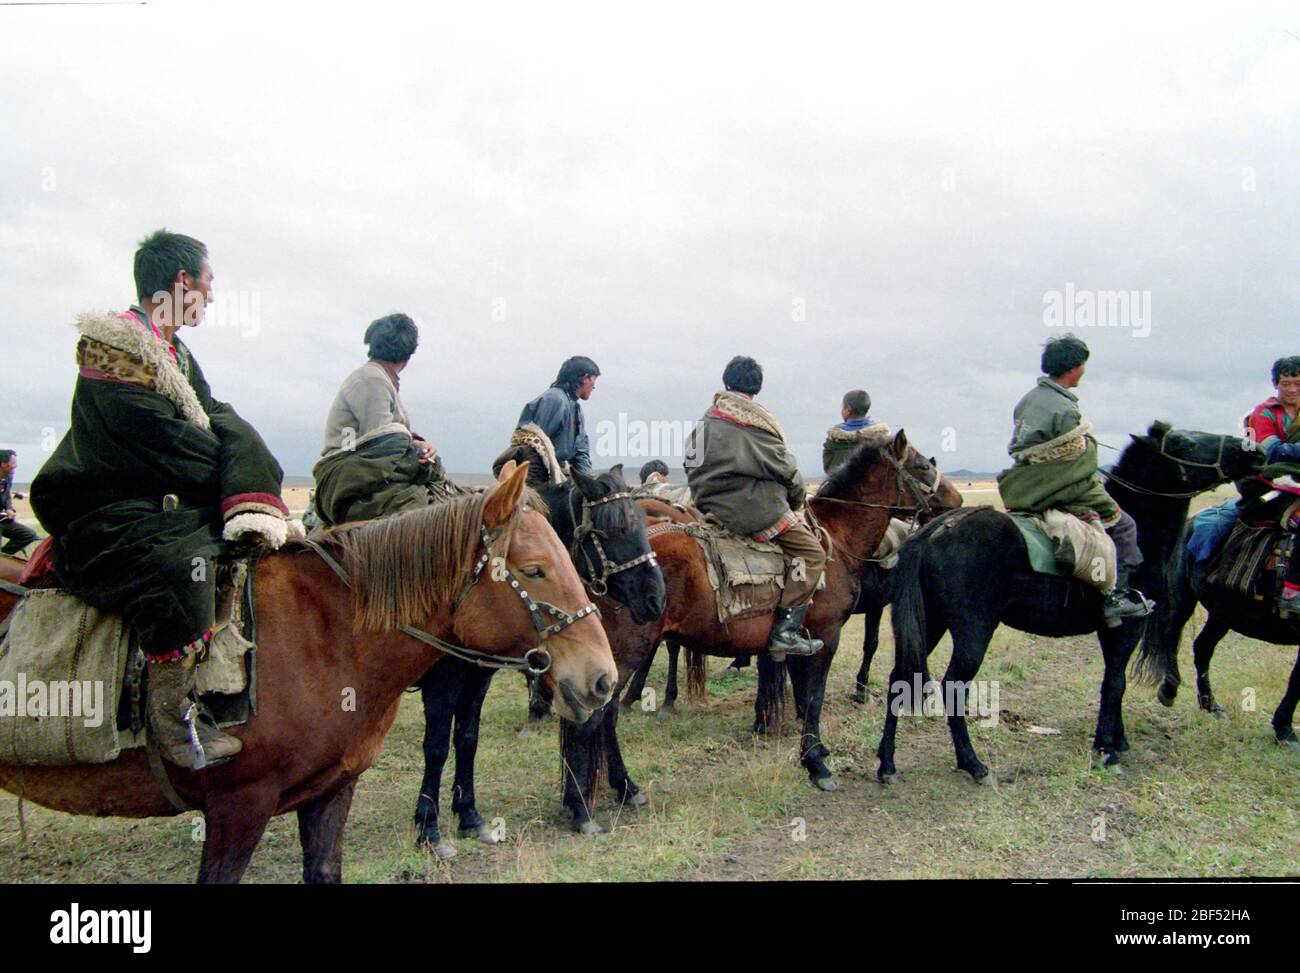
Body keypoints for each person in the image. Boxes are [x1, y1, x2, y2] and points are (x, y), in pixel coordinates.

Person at [30, 229, 290, 770]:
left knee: (231, 460)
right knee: (184, 565)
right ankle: (170, 723)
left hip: (155, 503)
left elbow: (214, 415)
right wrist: (224, 465)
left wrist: (239, 454)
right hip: (105, 511)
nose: (212, 296)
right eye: (208, 283)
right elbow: (156, 440)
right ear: (181, 281)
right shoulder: (114, 345)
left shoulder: (176, 353)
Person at [997, 334, 1151, 622]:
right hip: (1059, 486)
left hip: (1023, 484)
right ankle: (1116, 596)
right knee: (1125, 525)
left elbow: (1035, 450)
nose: (1084, 370)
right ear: (1074, 368)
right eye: (1083, 365)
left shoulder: (1026, 401)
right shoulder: (1065, 408)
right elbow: (1070, 463)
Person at [684, 356, 825, 656]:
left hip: (709, 509)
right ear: (756, 389)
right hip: (757, 515)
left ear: (725, 383)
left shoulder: (703, 423)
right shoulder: (758, 424)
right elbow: (789, 472)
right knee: (812, 554)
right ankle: (785, 632)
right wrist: (796, 502)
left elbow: (689, 463)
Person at [312, 313, 454, 526]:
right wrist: (421, 459)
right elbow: (383, 447)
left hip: (362, 474)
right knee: (424, 510)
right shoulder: (372, 380)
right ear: (408, 353)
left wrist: (418, 445)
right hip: (348, 480)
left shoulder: (377, 378)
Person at [1241, 356, 1300, 606]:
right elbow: (1271, 451)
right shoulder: (1263, 413)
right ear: (1276, 384)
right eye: (1286, 383)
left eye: (1298, 383)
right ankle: (1292, 589)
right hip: (1271, 486)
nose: (1292, 389)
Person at [516, 356, 598, 477]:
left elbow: (581, 452)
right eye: (594, 380)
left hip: (557, 471)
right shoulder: (555, 400)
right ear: (585, 378)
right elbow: (536, 446)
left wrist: (589, 483)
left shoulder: (576, 408)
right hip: (536, 473)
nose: (594, 386)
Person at [822, 389, 893, 474]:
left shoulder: (835, 437)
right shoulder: (882, 435)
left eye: (842, 407)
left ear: (848, 409)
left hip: (845, 485)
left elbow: (829, 467)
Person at [0, 450, 39, 556]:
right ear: (2, 464)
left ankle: (3, 557)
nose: (16, 466)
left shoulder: (8, 477)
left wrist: (9, 509)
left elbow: (7, 495)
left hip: (2, 521)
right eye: (13, 463)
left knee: (29, 535)